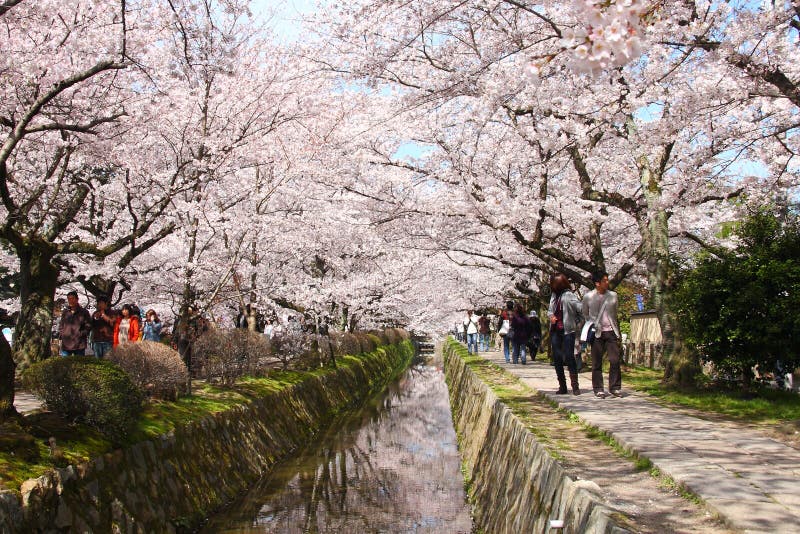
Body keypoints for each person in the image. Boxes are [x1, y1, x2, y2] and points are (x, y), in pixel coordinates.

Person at [582, 271, 622, 398]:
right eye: (604, 280)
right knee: (596, 362)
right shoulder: (588, 296)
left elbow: (615, 312)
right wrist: (593, 323)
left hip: (611, 331)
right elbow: (585, 313)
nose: (607, 282)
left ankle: (615, 387)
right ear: (597, 283)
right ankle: (598, 388)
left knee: (615, 360)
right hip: (596, 331)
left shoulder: (613, 296)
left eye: (607, 280)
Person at [548, 274, 582, 395]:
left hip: (568, 330)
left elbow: (580, 309)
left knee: (569, 357)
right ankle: (562, 386)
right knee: (557, 358)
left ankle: (575, 386)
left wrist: (576, 322)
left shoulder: (569, 295)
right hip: (555, 330)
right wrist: (551, 316)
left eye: (552, 283)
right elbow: (550, 311)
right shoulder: (553, 296)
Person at [59, 291, 92, 356]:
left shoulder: (84, 312)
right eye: (69, 299)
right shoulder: (65, 312)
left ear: (77, 299)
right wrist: (62, 333)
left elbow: (89, 325)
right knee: (65, 364)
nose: (71, 301)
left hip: (79, 344)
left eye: (72, 298)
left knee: (79, 365)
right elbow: (61, 325)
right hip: (66, 343)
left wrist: (81, 333)